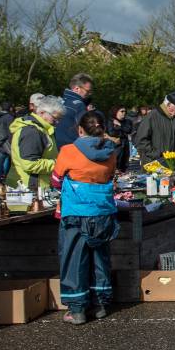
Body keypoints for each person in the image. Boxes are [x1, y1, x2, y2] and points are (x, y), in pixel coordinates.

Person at [51, 111, 118, 325]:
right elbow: (110, 175)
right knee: (100, 256)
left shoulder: (69, 150)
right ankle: (100, 304)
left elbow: (56, 179)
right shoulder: (110, 150)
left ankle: (77, 309)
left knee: (74, 258)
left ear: (80, 129)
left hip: (76, 211)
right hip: (102, 211)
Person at [8, 95, 64, 194]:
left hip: (35, 186)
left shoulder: (43, 129)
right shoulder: (32, 131)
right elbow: (29, 164)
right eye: (55, 118)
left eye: (59, 119)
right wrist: (57, 163)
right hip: (28, 189)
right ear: (42, 113)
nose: (57, 122)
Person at [134, 92, 175, 165]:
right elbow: (141, 140)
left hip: (172, 163)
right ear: (168, 105)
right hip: (153, 163)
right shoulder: (151, 116)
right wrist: (156, 154)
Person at [56, 73, 95, 147]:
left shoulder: (59, 102)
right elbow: (85, 131)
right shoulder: (79, 105)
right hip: (71, 147)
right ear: (77, 89)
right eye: (88, 91)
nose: (90, 94)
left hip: (55, 147)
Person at [107, 106, 133, 172]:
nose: (124, 113)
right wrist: (122, 133)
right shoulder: (111, 121)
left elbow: (128, 130)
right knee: (116, 163)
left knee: (124, 163)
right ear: (116, 112)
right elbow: (112, 133)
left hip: (125, 144)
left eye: (125, 111)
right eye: (122, 111)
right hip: (116, 145)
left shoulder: (127, 121)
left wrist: (119, 125)